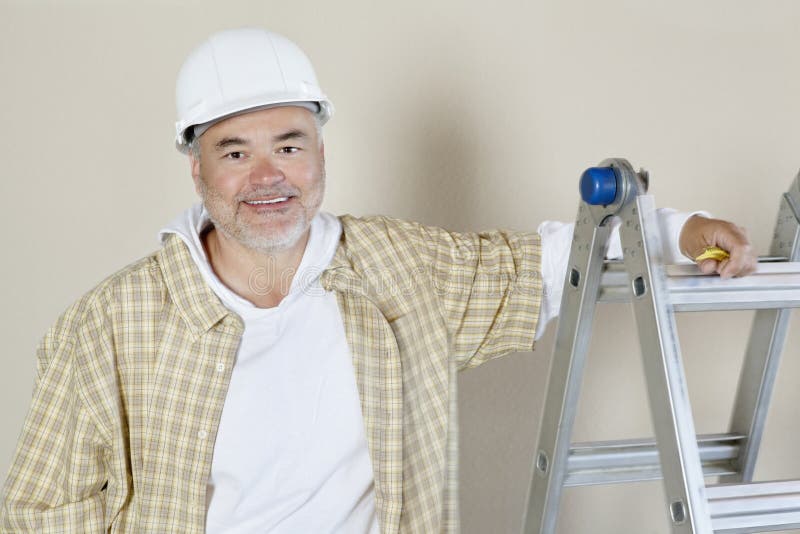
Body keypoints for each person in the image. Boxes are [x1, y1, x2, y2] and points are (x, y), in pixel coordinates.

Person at [0, 28, 756, 533]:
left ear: (321, 154)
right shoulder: (108, 326)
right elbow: (40, 513)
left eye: (289, 146)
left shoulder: (399, 271)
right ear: (196, 167)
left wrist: (675, 229)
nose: (268, 177)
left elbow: (550, 261)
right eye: (235, 153)